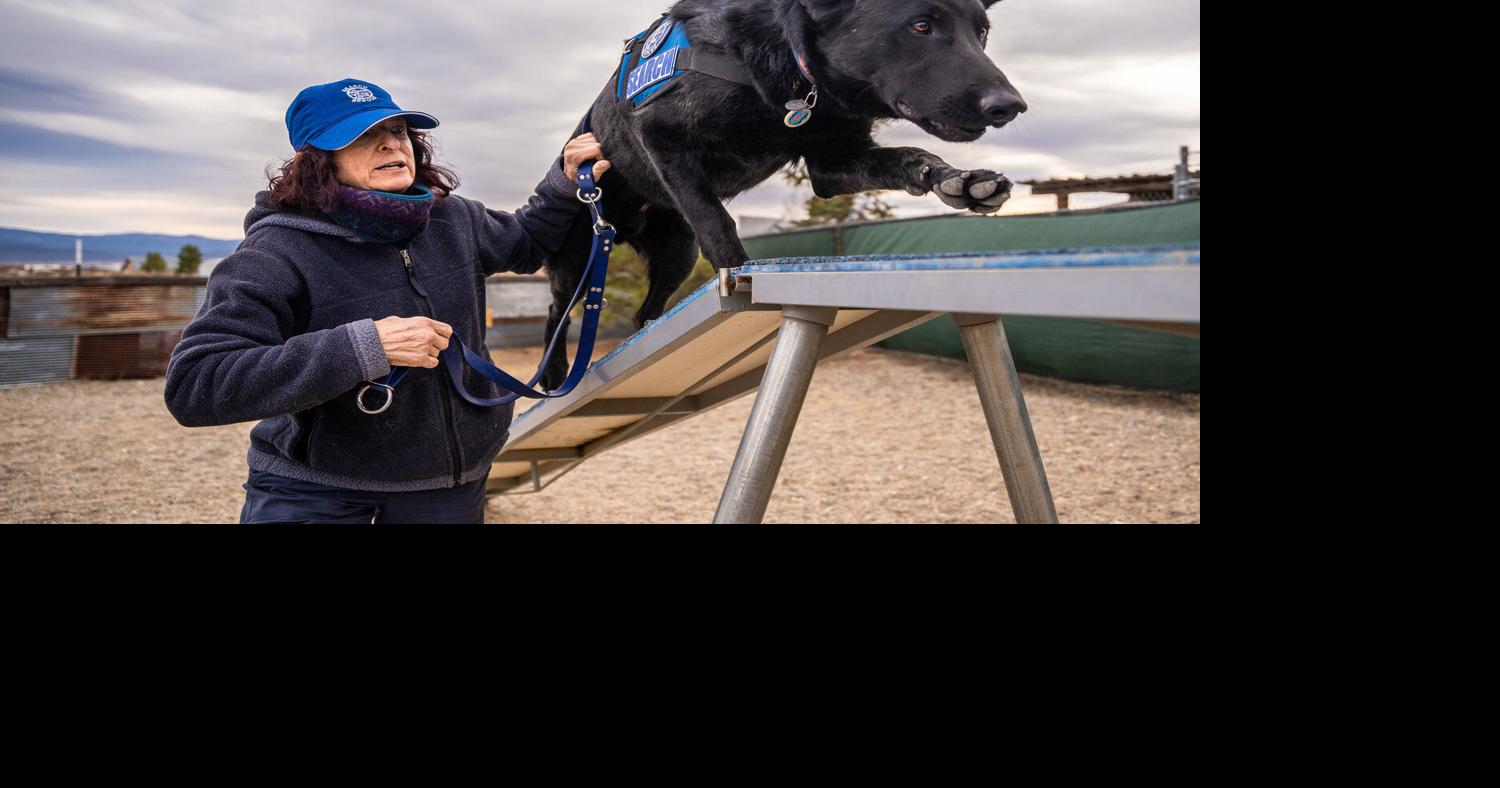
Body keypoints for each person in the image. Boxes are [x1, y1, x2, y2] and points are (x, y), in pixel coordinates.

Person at [164, 78, 610, 524]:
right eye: (364, 136)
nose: (390, 145)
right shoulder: (275, 252)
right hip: (316, 489)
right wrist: (361, 348)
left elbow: (527, 243)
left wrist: (563, 181)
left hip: (447, 485)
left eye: (397, 132)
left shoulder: (452, 218)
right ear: (318, 162)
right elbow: (196, 384)